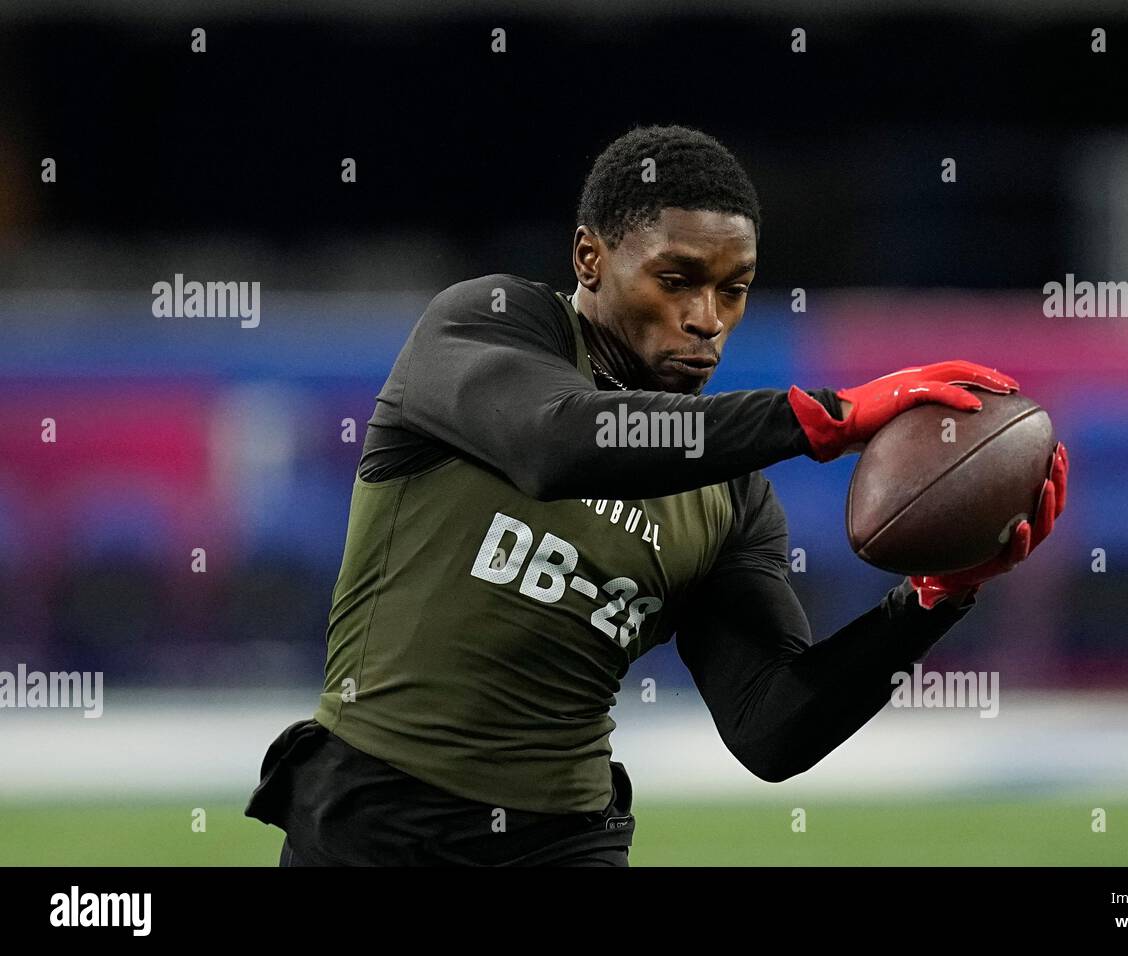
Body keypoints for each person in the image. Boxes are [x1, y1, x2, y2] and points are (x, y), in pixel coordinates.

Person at [245, 124, 1068, 866]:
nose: (706, 318)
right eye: (677, 280)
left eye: (733, 288)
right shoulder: (485, 325)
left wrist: (936, 598)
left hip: (563, 842)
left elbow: (771, 728)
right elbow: (556, 444)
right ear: (590, 259)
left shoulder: (731, 493)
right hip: (373, 818)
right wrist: (830, 417)